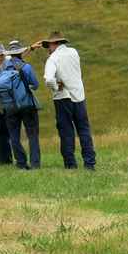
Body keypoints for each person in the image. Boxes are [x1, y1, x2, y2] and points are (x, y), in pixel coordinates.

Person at [35, 31, 96, 171]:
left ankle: (70, 164)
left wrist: (56, 87)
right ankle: (89, 163)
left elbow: (48, 79)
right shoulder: (74, 52)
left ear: (54, 44)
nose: (48, 49)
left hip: (62, 98)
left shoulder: (53, 58)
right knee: (84, 130)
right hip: (79, 96)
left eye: (49, 46)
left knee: (66, 131)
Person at [0, 40, 42, 170]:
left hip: (9, 106)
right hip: (26, 104)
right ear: (20, 52)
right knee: (32, 134)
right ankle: (35, 164)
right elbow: (35, 85)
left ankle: (21, 162)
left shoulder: (3, 67)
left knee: (14, 136)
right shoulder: (26, 67)